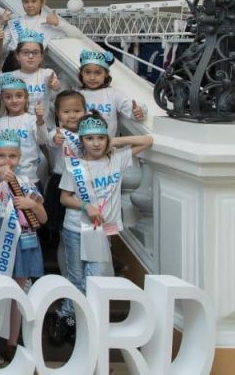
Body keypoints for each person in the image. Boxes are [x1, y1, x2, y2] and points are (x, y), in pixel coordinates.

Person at [55, 113, 153, 342]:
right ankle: (69, 318)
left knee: (96, 278)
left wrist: (113, 141)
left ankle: (87, 325)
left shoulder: (116, 160)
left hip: (103, 230)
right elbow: (64, 199)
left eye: (100, 138)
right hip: (75, 229)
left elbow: (147, 141)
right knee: (77, 277)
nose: (96, 143)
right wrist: (86, 206)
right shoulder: (75, 166)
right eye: (90, 138)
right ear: (82, 141)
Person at [0, 129, 46, 362]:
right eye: (1, 156)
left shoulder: (28, 183)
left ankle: (12, 342)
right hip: (0, 238)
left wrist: (32, 203)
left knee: (19, 293)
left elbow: (43, 218)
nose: (7, 161)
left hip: (25, 240)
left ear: (20, 158)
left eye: (12, 156)